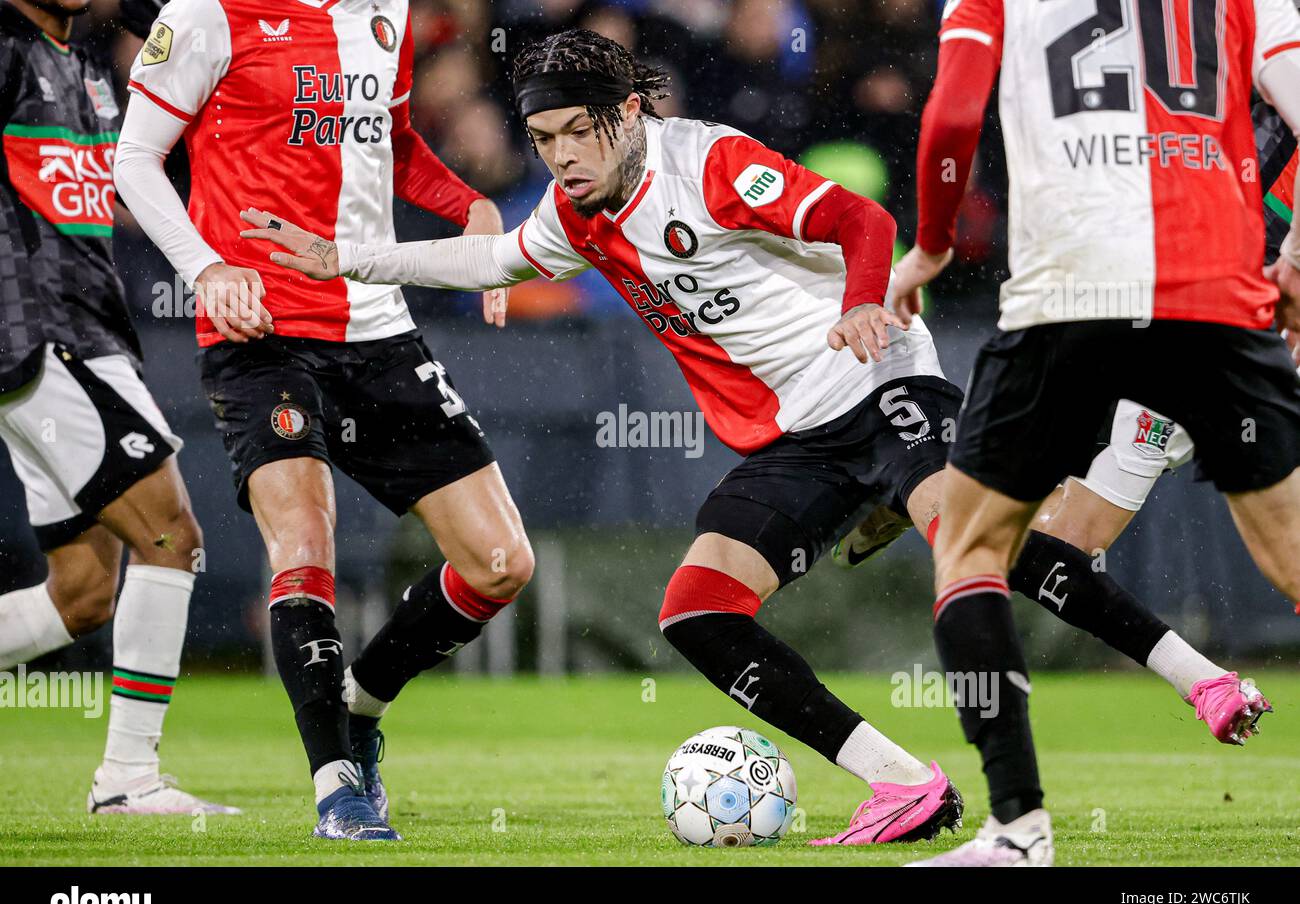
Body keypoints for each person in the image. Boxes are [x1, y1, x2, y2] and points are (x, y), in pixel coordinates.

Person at [240, 28, 1234, 849]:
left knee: (991, 558)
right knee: (696, 611)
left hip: (876, 378)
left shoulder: (709, 164)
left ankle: (1194, 682)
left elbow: (861, 220)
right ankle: (901, 782)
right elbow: (493, 259)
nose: (560, 159)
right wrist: (345, 257)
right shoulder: (577, 214)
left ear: (629, 112)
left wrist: (856, 310)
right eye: (541, 140)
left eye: (576, 134)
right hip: (798, 435)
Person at [884, 0, 1300, 865]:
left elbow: (954, 115)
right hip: (1217, 297)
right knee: (1293, 557)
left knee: (968, 547)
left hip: (1067, 296)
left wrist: (929, 244)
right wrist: (1292, 261)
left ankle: (1018, 830)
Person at [113, 0, 534, 840]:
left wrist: (472, 209)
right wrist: (207, 268)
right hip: (259, 327)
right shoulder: (208, 15)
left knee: (499, 564)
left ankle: (359, 709)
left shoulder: (388, 16)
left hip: (378, 330)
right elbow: (135, 160)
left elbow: (388, 144)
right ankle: (335, 785)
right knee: (304, 540)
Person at [0, 0, 237, 815]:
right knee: (171, 534)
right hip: (36, 335)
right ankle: (129, 779)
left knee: (83, 592)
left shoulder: (90, 67)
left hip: (90, 331)